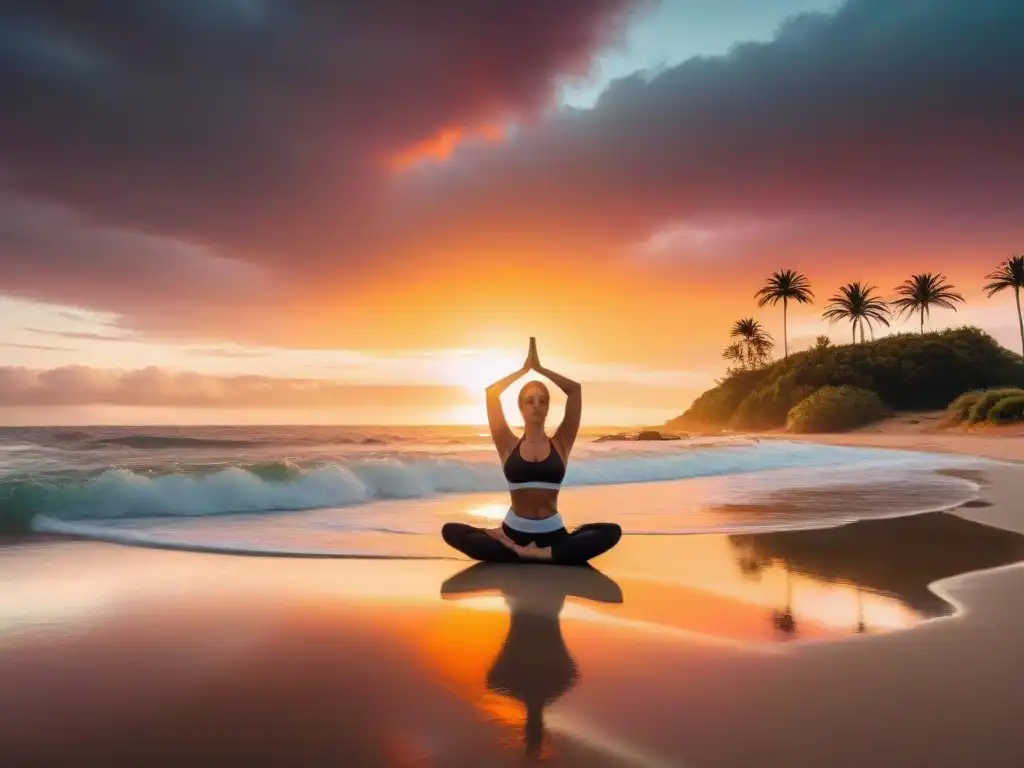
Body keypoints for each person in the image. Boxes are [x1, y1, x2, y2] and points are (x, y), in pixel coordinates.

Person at [441, 337, 622, 565]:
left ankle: (531, 553)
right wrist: (523, 370)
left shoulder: (561, 443)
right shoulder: (507, 443)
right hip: (513, 533)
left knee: (611, 531)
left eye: (542, 401)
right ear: (521, 407)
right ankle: (534, 552)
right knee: (451, 530)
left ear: (547, 408)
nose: (536, 406)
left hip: (553, 535)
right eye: (530, 401)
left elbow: (574, 391)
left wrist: (540, 369)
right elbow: (491, 394)